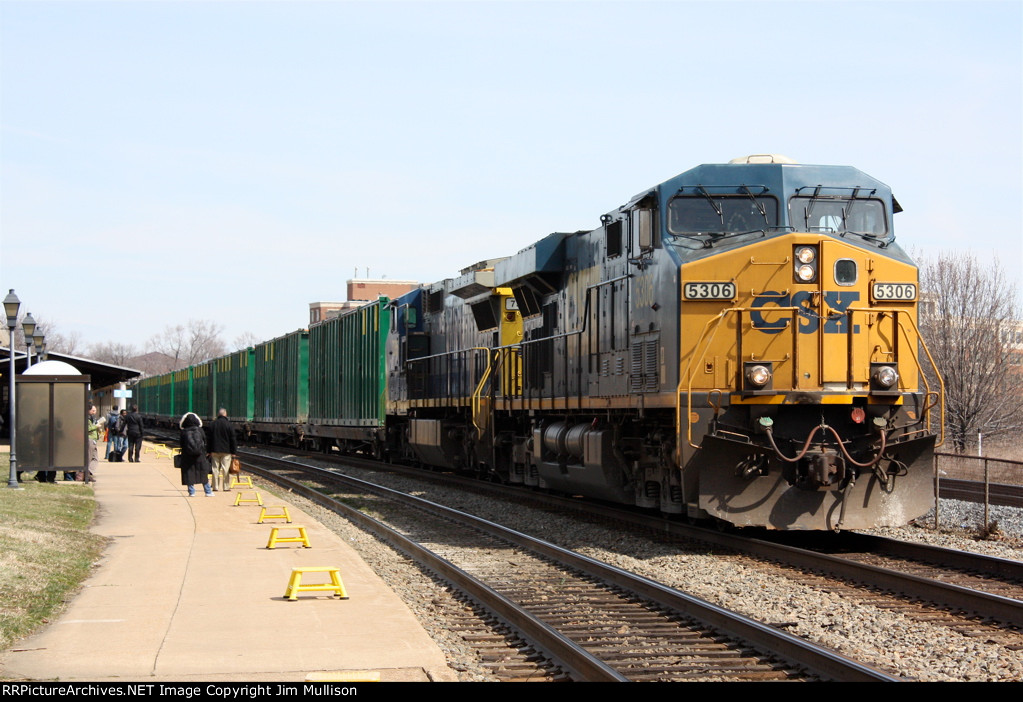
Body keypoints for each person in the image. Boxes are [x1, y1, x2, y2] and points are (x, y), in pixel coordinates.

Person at [178, 412, 213, 497]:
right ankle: (208, 491)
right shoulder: (200, 430)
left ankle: (192, 492)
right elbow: (205, 441)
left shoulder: (183, 432)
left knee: (188, 473)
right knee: (203, 473)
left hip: (187, 456)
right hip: (200, 455)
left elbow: (181, 444)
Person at [208, 408, 238, 492]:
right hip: (226, 451)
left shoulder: (212, 424)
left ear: (218, 415)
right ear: (225, 414)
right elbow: (233, 439)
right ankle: (226, 487)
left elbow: (209, 439)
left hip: (214, 450)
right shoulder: (229, 425)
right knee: (225, 469)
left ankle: (215, 487)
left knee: (215, 469)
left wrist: (208, 451)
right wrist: (233, 452)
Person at [85, 404, 101, 483]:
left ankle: (89, 471)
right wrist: (96, 426)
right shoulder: (87, 419)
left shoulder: (92, 418)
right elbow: (87, 428)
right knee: (89, 457)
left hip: (94, 439)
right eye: (93, 410)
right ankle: (86, 473)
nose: (94, 412)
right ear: (89, 410)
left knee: (95, 458)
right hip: (90, 439)